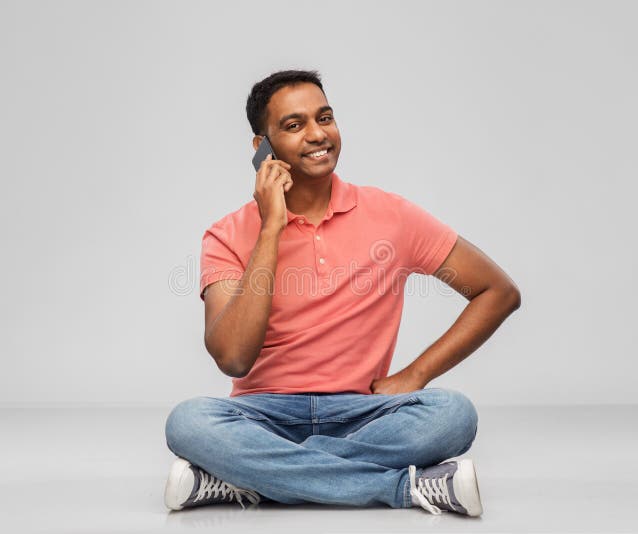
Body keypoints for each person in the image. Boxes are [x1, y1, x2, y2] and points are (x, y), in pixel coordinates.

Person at [163, 69, 521, 517]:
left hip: (364, 412)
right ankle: (402, 489)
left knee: (453, 413)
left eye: (325, 118)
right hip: (261, 416)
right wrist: (271, 225)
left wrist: (414, 375)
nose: (317, 135)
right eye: (294, 126)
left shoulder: (392, 216)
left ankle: (245, 477)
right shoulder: (227, 234)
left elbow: (497, 291)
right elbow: (233, 358)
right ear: (262, 149)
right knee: (190, 423)